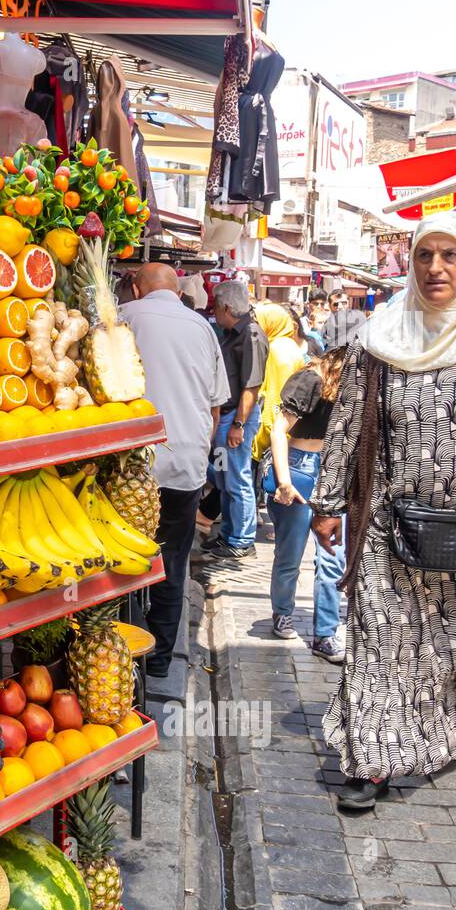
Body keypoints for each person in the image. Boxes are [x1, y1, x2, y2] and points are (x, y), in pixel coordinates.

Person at [310, 211, 456, 811]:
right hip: (391, 522)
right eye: (424, 256)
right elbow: (345, 428)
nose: (436, 268)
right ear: (410, 262)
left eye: (450, 256)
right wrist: (330, 503)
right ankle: (372, 761)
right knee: (381, 643)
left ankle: (453, 732)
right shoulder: (381, 335)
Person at [121, 263, 230, 677]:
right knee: (173, 557)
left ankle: (126, 651)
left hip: (130, 462)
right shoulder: (201, 327)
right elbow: (216, 403)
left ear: (136, 286)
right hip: (185, 463)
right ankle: (161, 659)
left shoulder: (125, 317)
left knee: (123, 557)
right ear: (178, 291)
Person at [265, 314, 354, 662]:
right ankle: (282, 610)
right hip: (300, 467)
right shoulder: (309, 380)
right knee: (291, 552)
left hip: (331, 469)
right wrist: (284, 480)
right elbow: (278, 429)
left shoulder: (353, 385)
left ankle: (325, 634)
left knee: (332, 557)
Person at [205, 279, 269, 560]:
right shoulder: (232, 333)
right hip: (226, 419)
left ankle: (241, 539)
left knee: (237, 479)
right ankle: (229, 534)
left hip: (236, 419)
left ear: (227, 307)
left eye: (216, 306)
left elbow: (251, 386)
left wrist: (238, 425)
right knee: (223, 478)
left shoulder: (251, 334)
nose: (214, 311)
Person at [251, 302, 309, 461]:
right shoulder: (285, 346)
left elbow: (276, 401)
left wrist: (264, 440)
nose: (255, 327)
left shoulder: (279, 351)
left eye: (258, 322)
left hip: (273, 443)